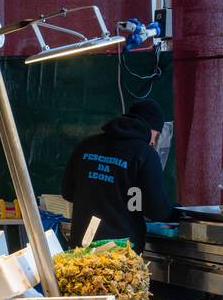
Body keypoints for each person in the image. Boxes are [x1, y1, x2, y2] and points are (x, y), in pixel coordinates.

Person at [61, 99, 179, 253]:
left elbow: (68, 193)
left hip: (80, 247)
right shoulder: (145, 154)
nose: (154, 142)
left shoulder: (86, 145)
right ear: (154, 131)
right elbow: (156, 211)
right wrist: (177, 212)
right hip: (120, 254)